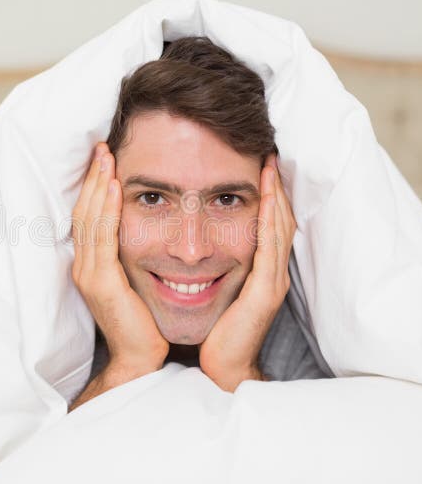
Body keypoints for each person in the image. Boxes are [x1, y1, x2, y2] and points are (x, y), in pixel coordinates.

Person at [69, 37, 332, 412]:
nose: (191, 251)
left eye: (227, 200)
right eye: (153, 198)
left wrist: (237, 371)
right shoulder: (47, 339)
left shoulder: (322, 340)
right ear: (94, 206)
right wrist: (128, 365)